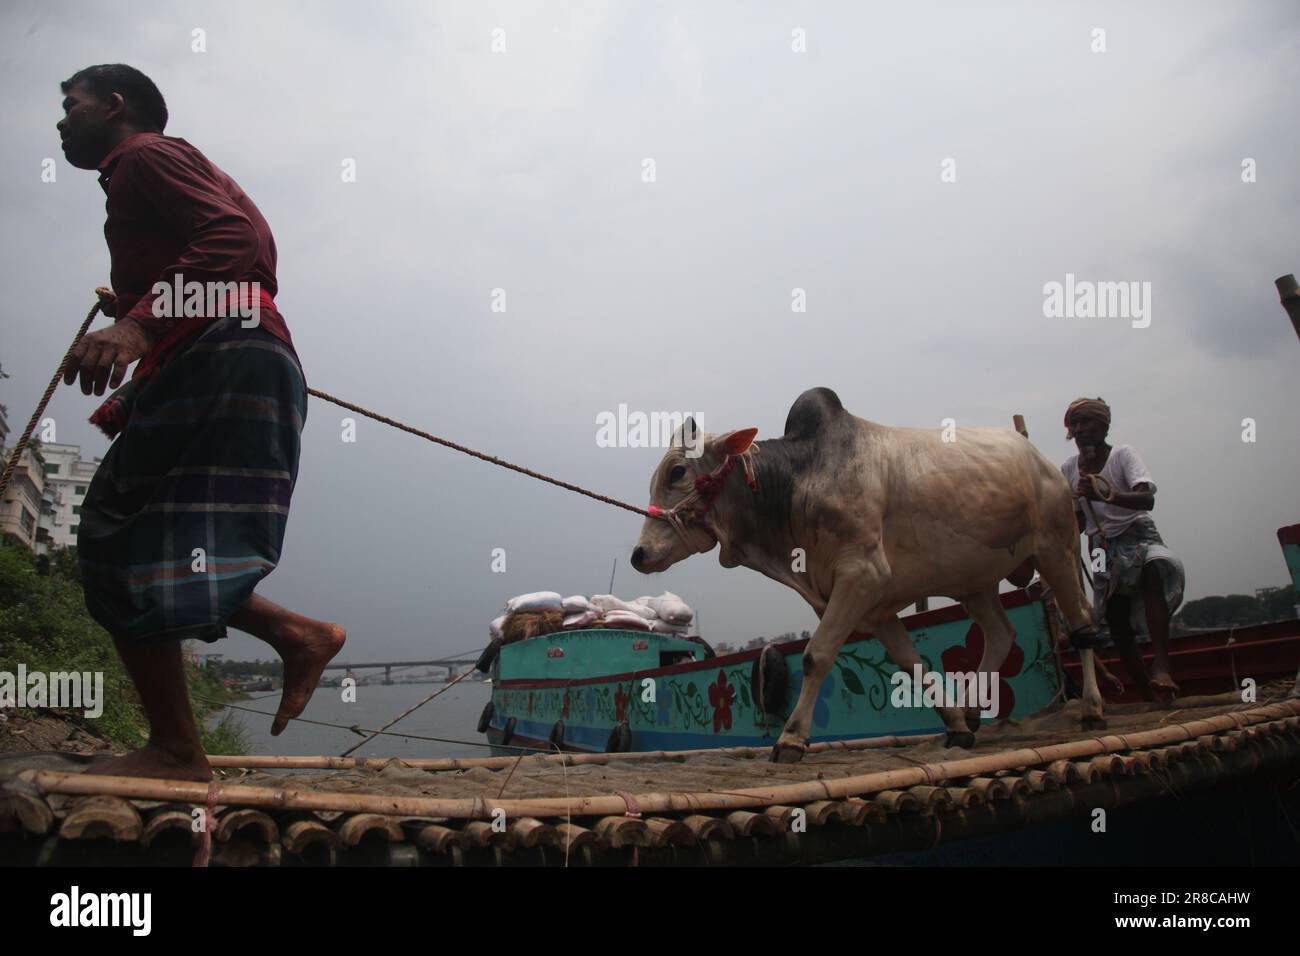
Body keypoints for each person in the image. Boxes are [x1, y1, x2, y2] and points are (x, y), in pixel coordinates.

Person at [57, 64, 344, 780]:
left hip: (229, 348)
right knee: (155, 539)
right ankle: (296, 636)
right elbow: (220, 255)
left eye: (73, 105)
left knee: (115, 535)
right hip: (234, 349)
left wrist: (134, 326)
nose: (62, 122)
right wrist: (139, 319)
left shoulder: (145, 157)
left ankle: (178, 750)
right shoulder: (152, 168)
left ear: (114, 106)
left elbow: (233, 242)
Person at [1061, 397, 1184, 700]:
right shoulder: (1068, 469)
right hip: (1101, 546)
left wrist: (1106, 494)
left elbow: (1146, 500)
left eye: (1086, 422)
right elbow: (1076, 520)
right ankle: (1148, 693)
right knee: (1116, 619)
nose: (1079, 430)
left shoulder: (1122, 455)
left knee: (1153, 572)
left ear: (1103, 426)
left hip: (1136, 531)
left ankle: (1162, 668)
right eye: (1074, 424)